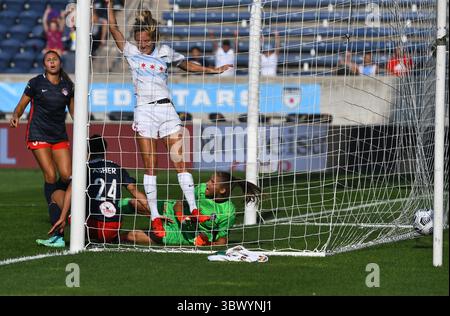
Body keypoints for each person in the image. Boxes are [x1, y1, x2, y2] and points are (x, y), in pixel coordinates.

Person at [105, 0, 232, 238]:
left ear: (153, 38)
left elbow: (186, 65)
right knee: (150, 167)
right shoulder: (131, 52)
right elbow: (113, 29)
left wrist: (212, 70)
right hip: (144, 111)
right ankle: (155, 218)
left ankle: (194, 209)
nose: (142, 43)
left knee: (180, 162)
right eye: (139, 39)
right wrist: (110, 6)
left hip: (167, 111)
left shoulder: (165, 52)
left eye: (146, 39)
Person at [9, 50, 74, 247]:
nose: (52, 62)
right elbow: (21, 105)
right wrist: (16, 115)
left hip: (59, 136)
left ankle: (64, 209)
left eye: (55, 59)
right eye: (48, 60)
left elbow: (75, 112)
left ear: (60, 63)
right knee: (51, 176)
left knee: (67, 176)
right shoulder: (36, 82)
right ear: (44, 65)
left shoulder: (68, 86)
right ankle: (57, 230)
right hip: (38, 134)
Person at [48, 135, 152, 244]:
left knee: (56, 194)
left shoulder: (85, 168)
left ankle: (58, 237)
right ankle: (114, 238)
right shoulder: (117, 167)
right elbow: (135, 191)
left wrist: (63, 217)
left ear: (87, 150)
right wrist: (153, 213)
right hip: (113, 228)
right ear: (104, 150)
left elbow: (71, 190)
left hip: (90, 227)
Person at [124, 172, 261, 247]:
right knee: (135, 203)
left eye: (212, 182)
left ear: (222, 190)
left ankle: (113, 237)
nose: (207, 183)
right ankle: (108, 211)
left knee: (132, 236)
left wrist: (207, 243)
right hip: (174, 214)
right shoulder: (200, 190)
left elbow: (221, 241)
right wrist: (181, 217)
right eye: (209, 180)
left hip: (186, 236)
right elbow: (179, 203)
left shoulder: (228, 211)